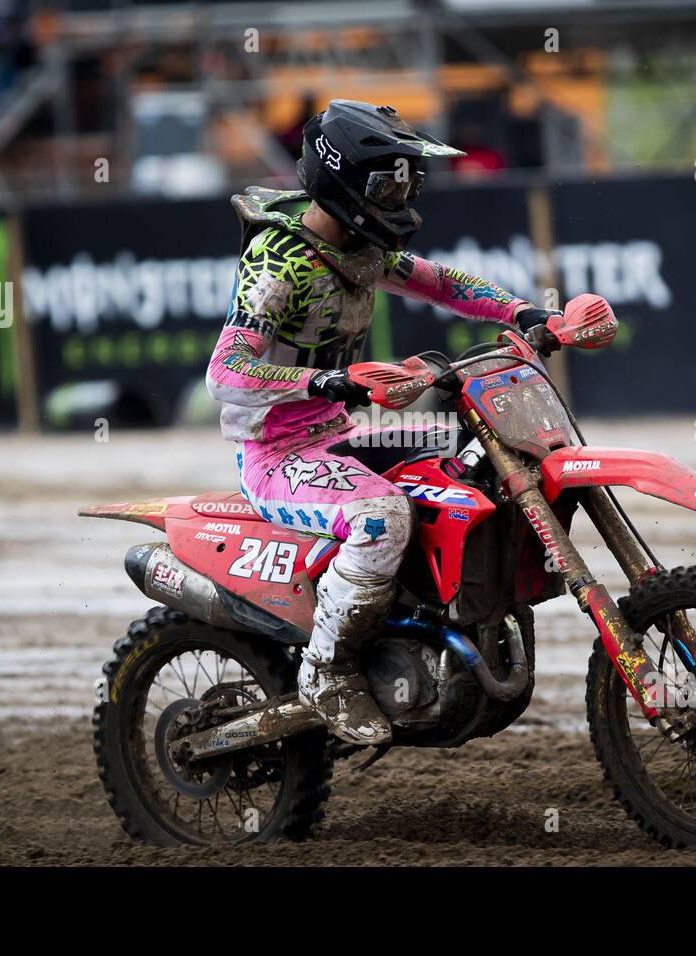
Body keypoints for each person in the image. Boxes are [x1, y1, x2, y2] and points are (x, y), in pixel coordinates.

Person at [206, 100, 558, 746]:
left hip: (336, 433)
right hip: (275, 453)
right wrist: (329, 380)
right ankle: (327, 672)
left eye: (407, 182)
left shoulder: (359, 247)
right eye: (388, 184)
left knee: (468, 456)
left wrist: (523, 312)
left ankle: (424, 626)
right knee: (383, 516)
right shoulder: (280, 263)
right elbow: (224, 371)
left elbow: (442, 283)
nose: (402, 196)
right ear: (343, 178)